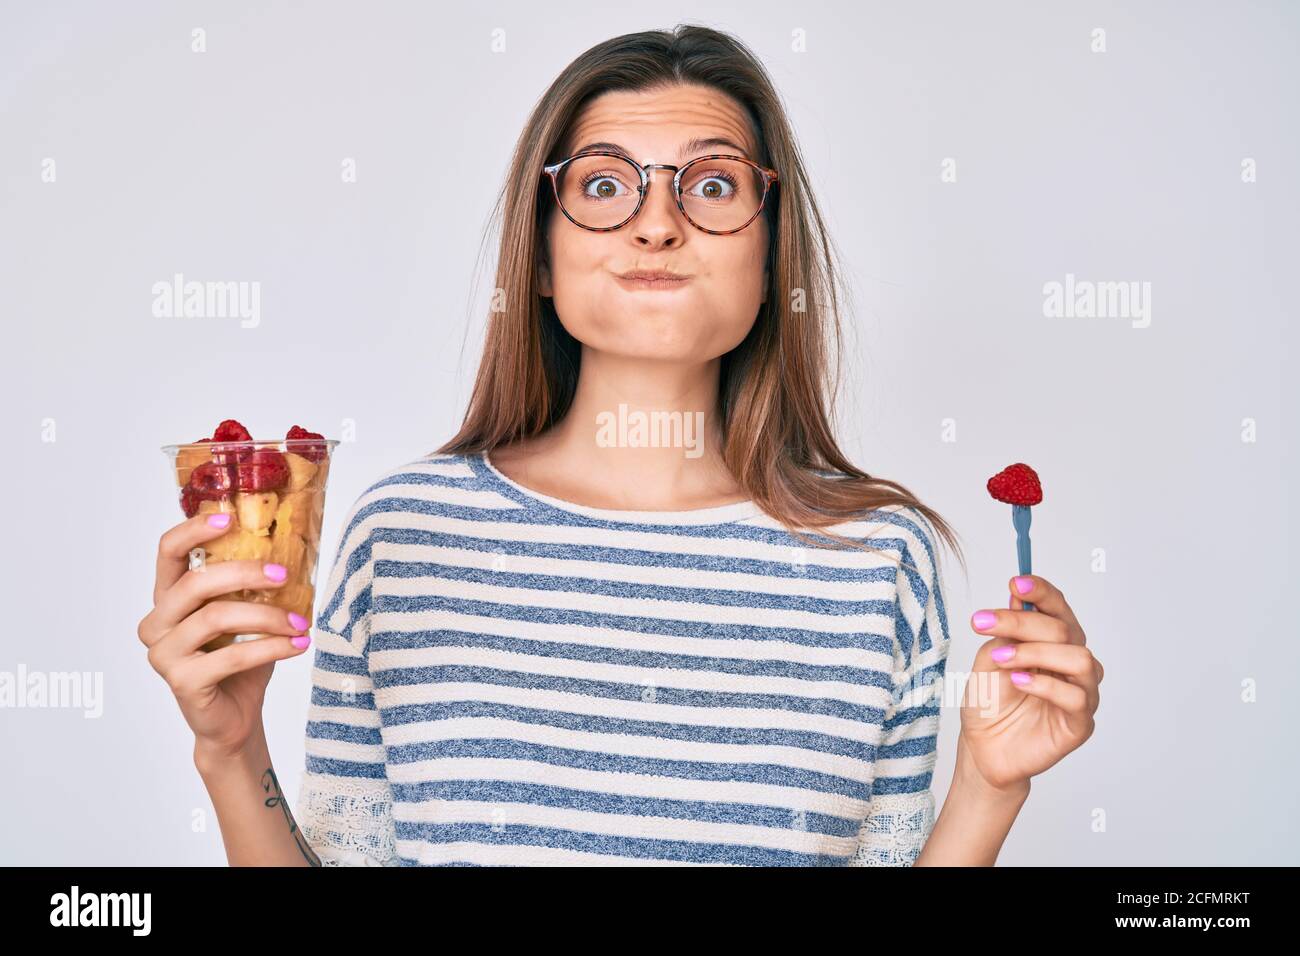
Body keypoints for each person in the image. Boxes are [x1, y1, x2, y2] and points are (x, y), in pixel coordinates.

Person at [138, 24, 1101, 866]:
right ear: (544, 258)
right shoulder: (403, 535)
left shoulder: (883, 559)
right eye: (604, 186)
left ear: (770, 260)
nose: (656, 224)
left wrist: (989, 789)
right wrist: (232, 750)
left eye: (713, 185)